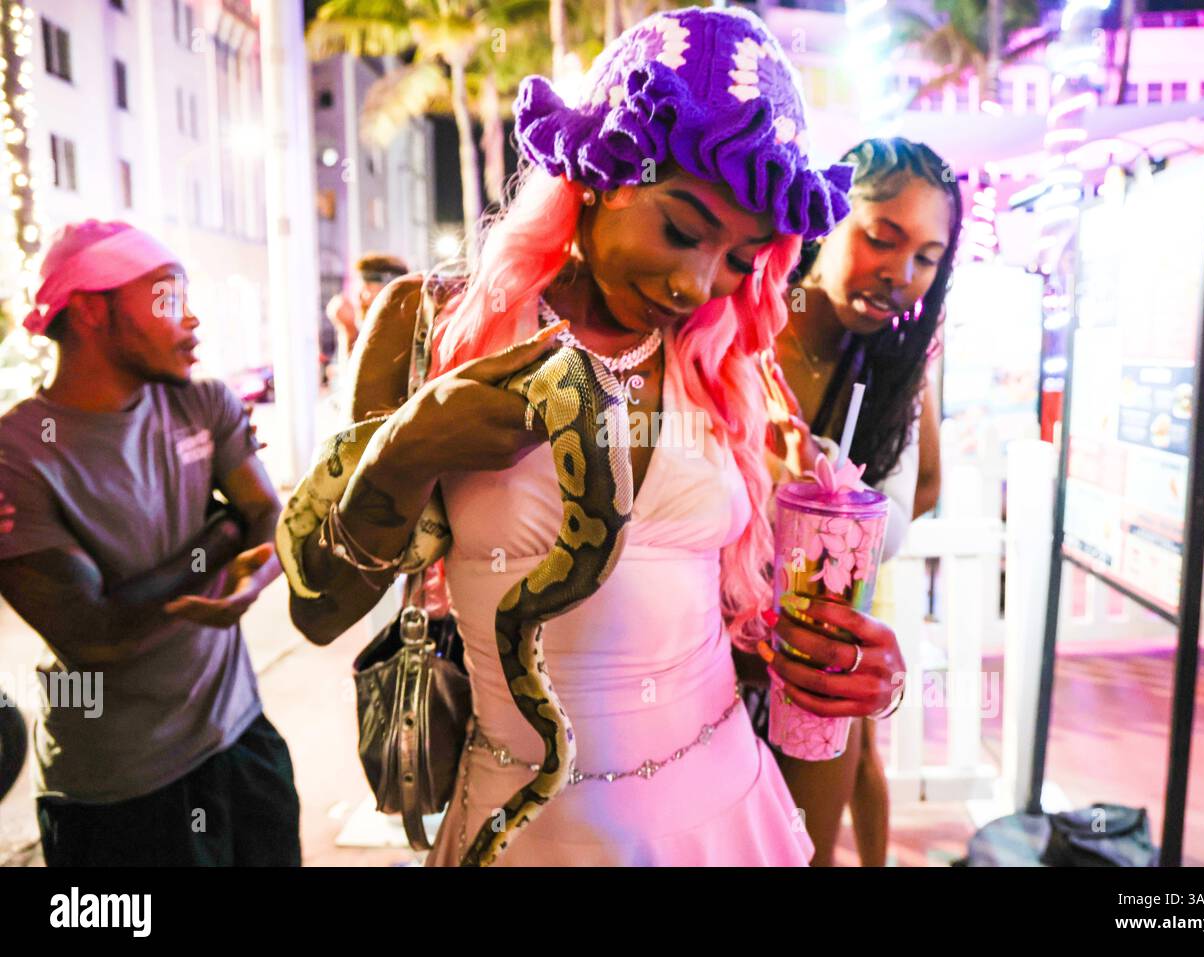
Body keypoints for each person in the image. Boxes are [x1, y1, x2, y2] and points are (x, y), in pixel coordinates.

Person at [287, 7, 904, 866]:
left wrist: (850, 665)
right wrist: (410, 444)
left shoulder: (730, 370)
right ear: (600, 171)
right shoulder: (428, 326)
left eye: (739, 256)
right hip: (527, 829)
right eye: (682, 229)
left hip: (727, 814)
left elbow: (735, 622)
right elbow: (316, 608)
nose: (699, 284)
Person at [0, 220, 299, 866]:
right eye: (167, 297)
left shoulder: (202, 402)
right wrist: (221, 538)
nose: (192, 317)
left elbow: (268, 517)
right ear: (89, 310)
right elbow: (92, 630)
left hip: (243, 742)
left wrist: (253, 567)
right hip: (116, 791)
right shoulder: (18, 452)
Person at [756, 137, 962, 865]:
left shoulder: (893, 369)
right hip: (698, 667)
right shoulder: (738, 332)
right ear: (830, 211)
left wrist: (843, 522)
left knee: (805, 849)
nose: (902, 274)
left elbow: (923, 486)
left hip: (816, 668)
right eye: (881, 237)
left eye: (928, 257)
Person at [325, 252, 410, 370]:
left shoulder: (399, 331)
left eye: (368, 288)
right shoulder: (366, 328)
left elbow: (361, 379)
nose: (360, 298)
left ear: (391, 292)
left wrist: (348, 330)